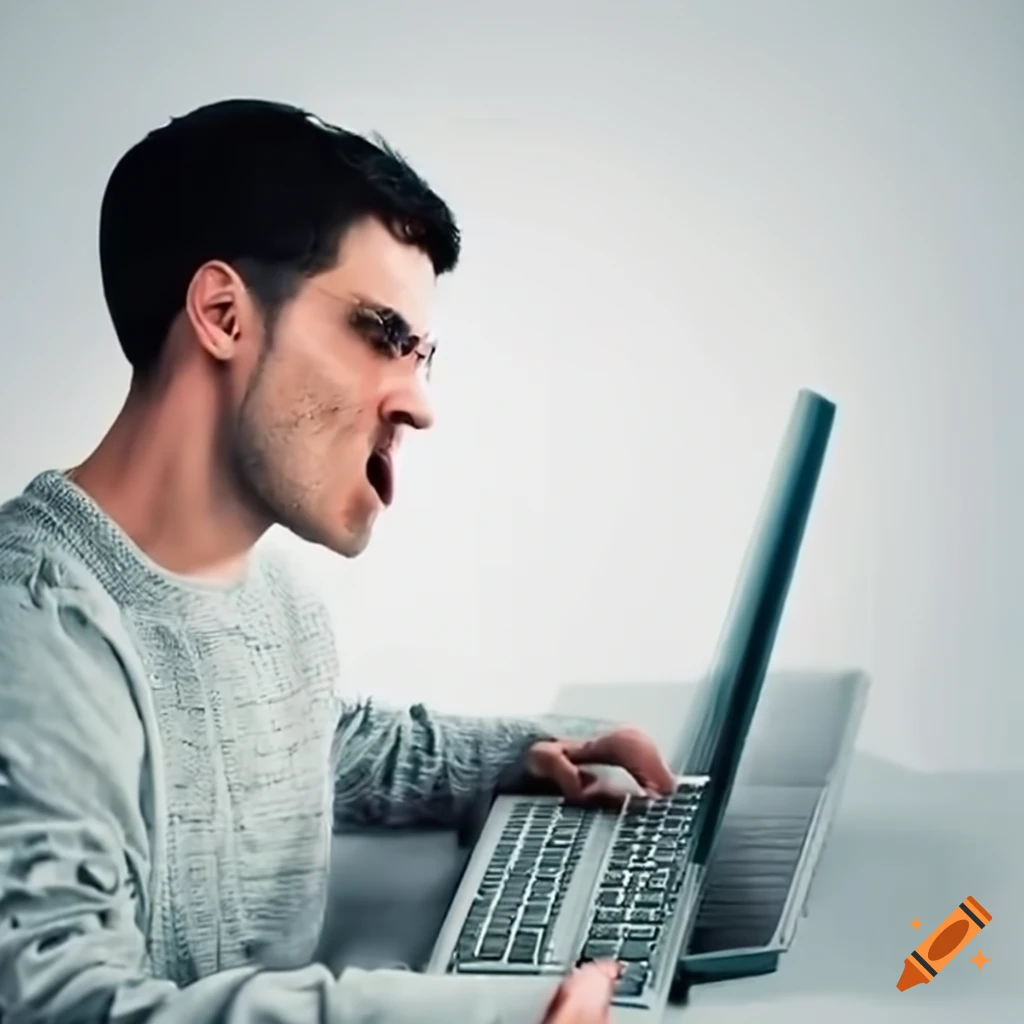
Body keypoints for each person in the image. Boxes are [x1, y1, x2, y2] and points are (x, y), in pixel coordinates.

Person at [0, 99, 676, 1024]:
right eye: (381, 335)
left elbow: (316, 741)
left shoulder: (271, 594)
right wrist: (491, 1017)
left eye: (423, 355)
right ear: (223, 315)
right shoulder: (34, 631)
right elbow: (59, 1006)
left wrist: (524, 754)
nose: (420, 404)